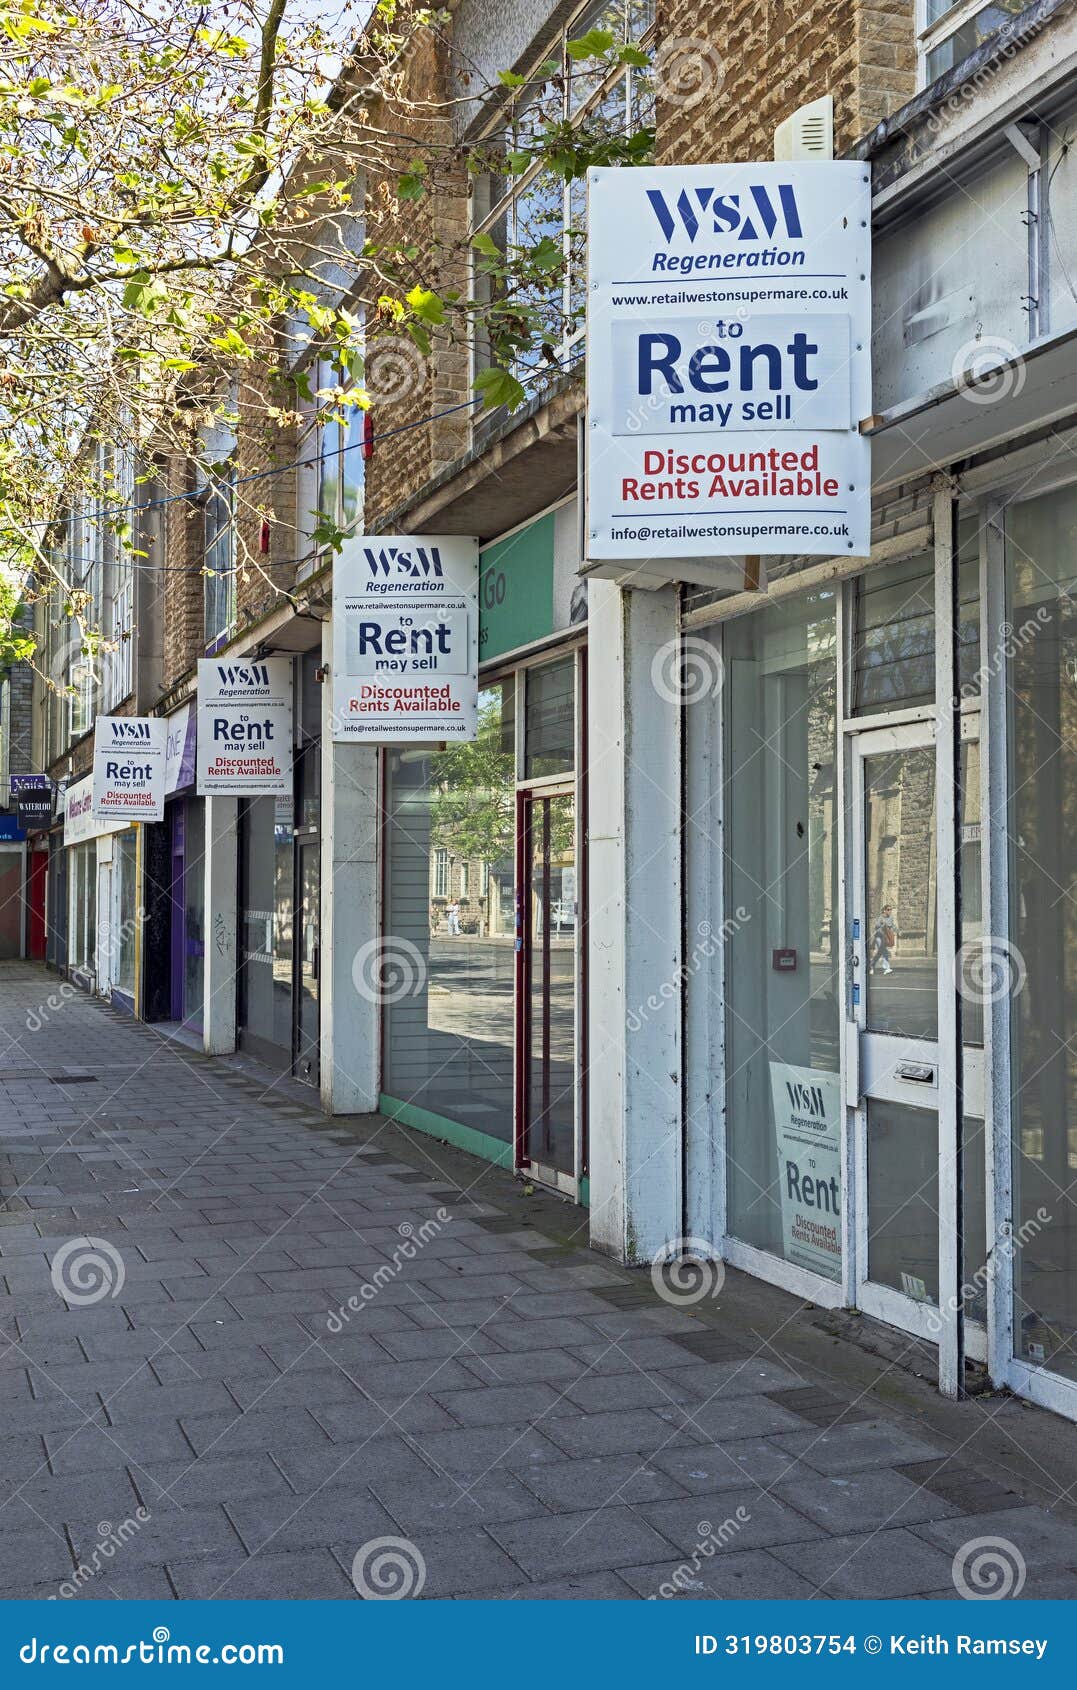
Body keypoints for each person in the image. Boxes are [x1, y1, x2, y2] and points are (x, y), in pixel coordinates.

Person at [869, 902, 897, 974]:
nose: (890, 911)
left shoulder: (890, 917)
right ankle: (886, 968)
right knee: (885, 951)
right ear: (884, 910)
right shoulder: (881, 917)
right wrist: (881, 924)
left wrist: (898, 931)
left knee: (880, 952)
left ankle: (871, 965)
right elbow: (876, 926)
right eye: (888, 909)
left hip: (885, 937)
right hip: (878, 937)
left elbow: (892, 925)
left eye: (891, 909)